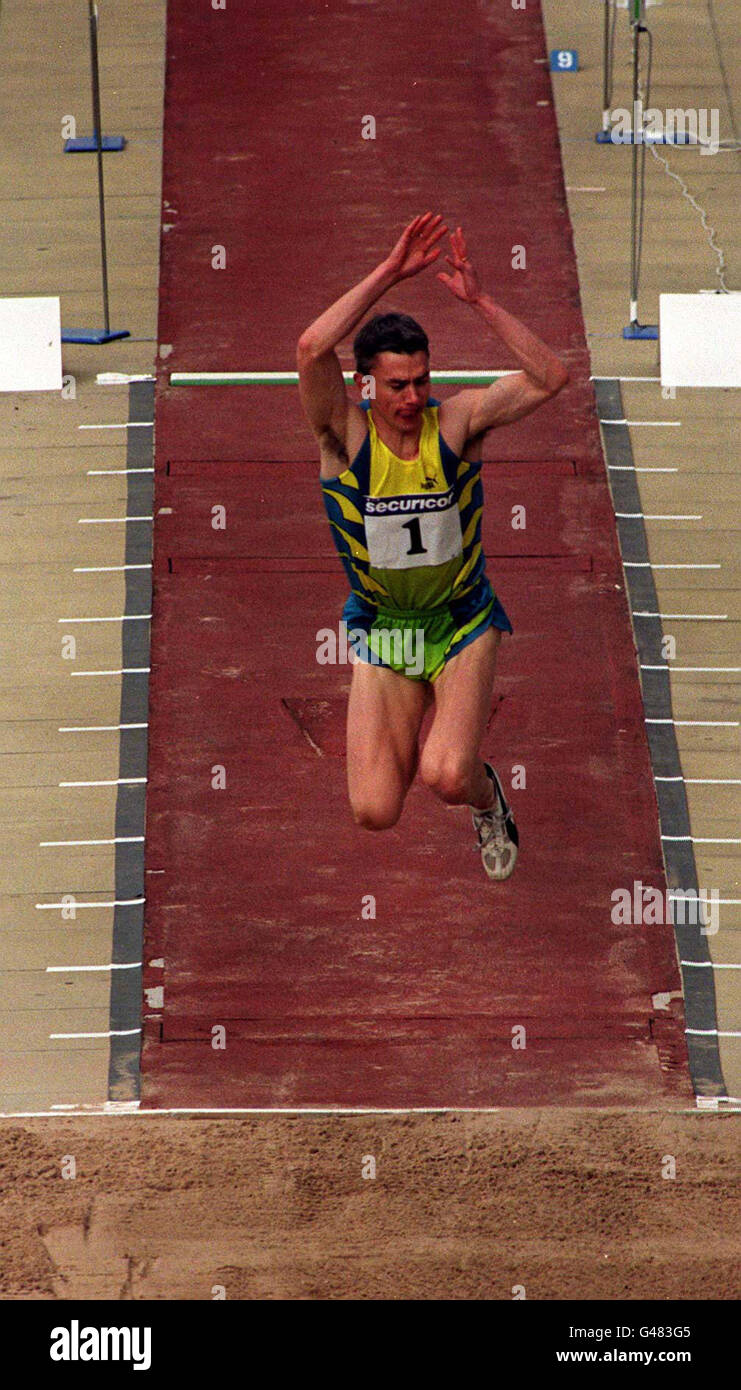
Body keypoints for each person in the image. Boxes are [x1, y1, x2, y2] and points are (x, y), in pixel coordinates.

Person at [296, 214, 569, 879]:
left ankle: (487, 800)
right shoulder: (344, 438)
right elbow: (310, 349)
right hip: (386, 630)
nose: (413, 396)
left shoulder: (457, 424)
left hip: (461, 622)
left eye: (421, 379)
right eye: (397, 385)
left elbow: (548, 377)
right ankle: (397, 698)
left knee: (446, 775)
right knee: (374, 810)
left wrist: (481, 303)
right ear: (365, 385)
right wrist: (390, 271)